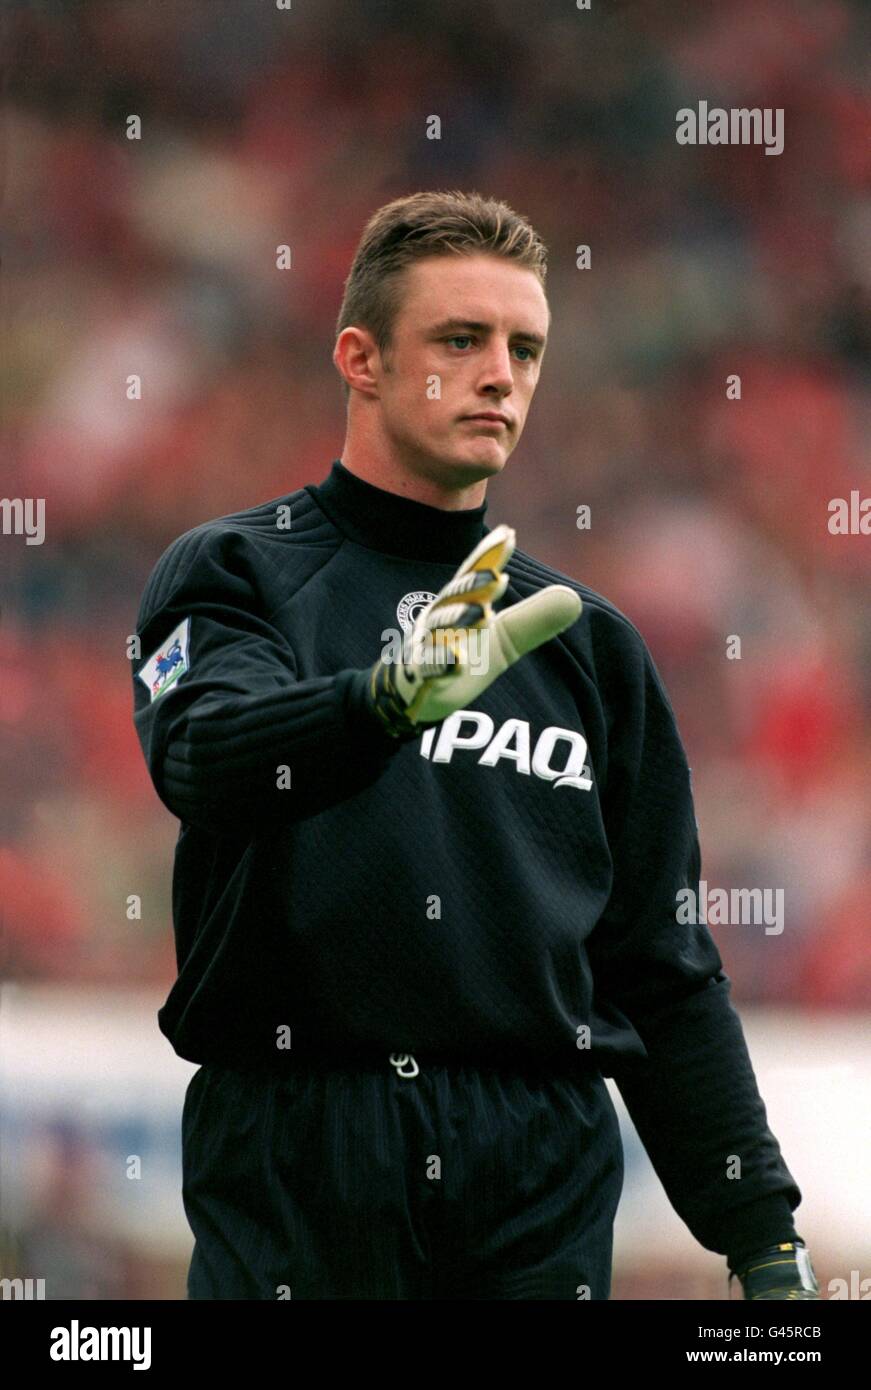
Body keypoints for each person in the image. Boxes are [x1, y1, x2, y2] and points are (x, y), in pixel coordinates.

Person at [131, 189, 819, 1301]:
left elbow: (662, 967)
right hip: (303, 1141)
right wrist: (380, 704)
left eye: (525, 347)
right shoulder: (238, 572)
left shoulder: (586, 645)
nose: (501, 373)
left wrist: (762, 1237)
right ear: (360, 357)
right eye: (461, 339)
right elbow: (204, 758)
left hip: (537, 1163)